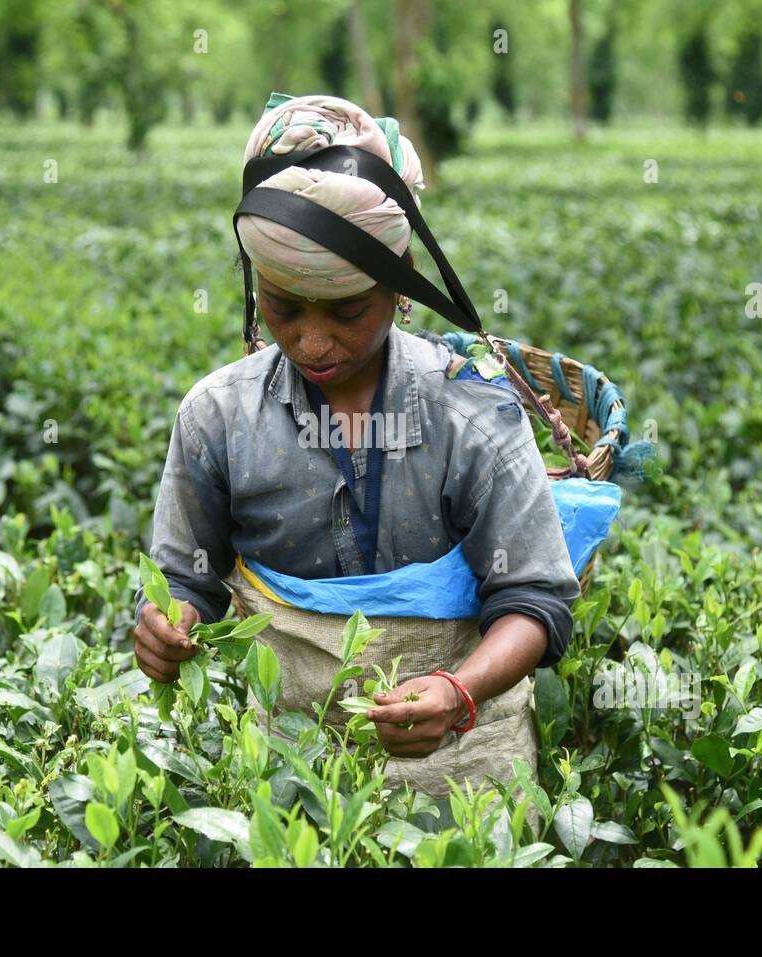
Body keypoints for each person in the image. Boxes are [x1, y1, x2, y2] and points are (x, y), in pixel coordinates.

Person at [134, 93, 579, 796]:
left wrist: (458, 693)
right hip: (289, 776)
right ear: (256, 288)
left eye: (347, 311)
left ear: (399, 286)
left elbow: (535, 600)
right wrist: (167, 624)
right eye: (283, 307)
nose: (313, 342)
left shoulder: (474, 413)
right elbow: (189, 576)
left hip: (463, 772)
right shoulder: (216, 416)